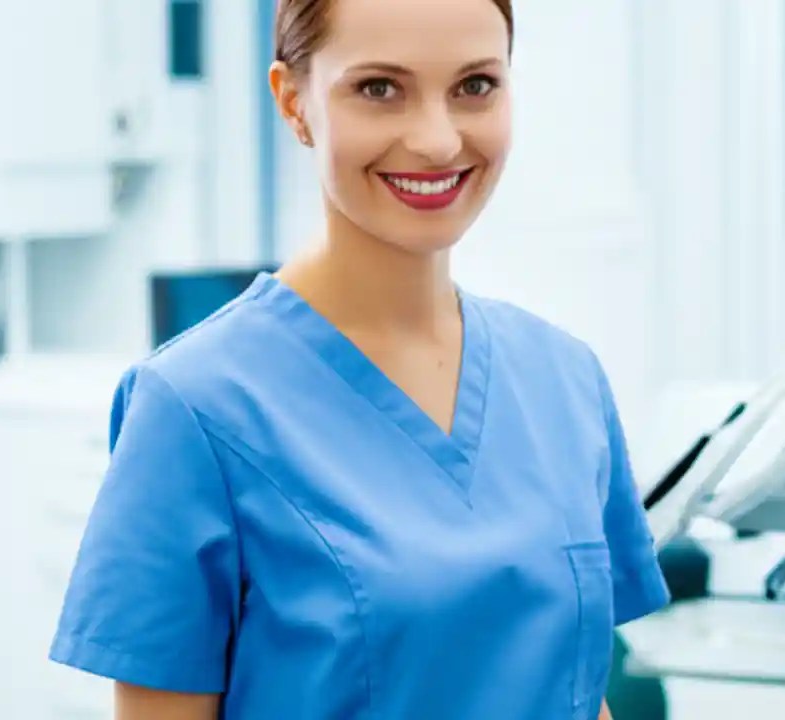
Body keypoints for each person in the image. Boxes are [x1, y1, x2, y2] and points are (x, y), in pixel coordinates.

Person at [46, 0, 671, 718]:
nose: (438, 140)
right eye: (379, 88)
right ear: (294, 102)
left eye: (475, 86)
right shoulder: (194, 407)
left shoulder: (565, 379)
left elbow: (575, 693)